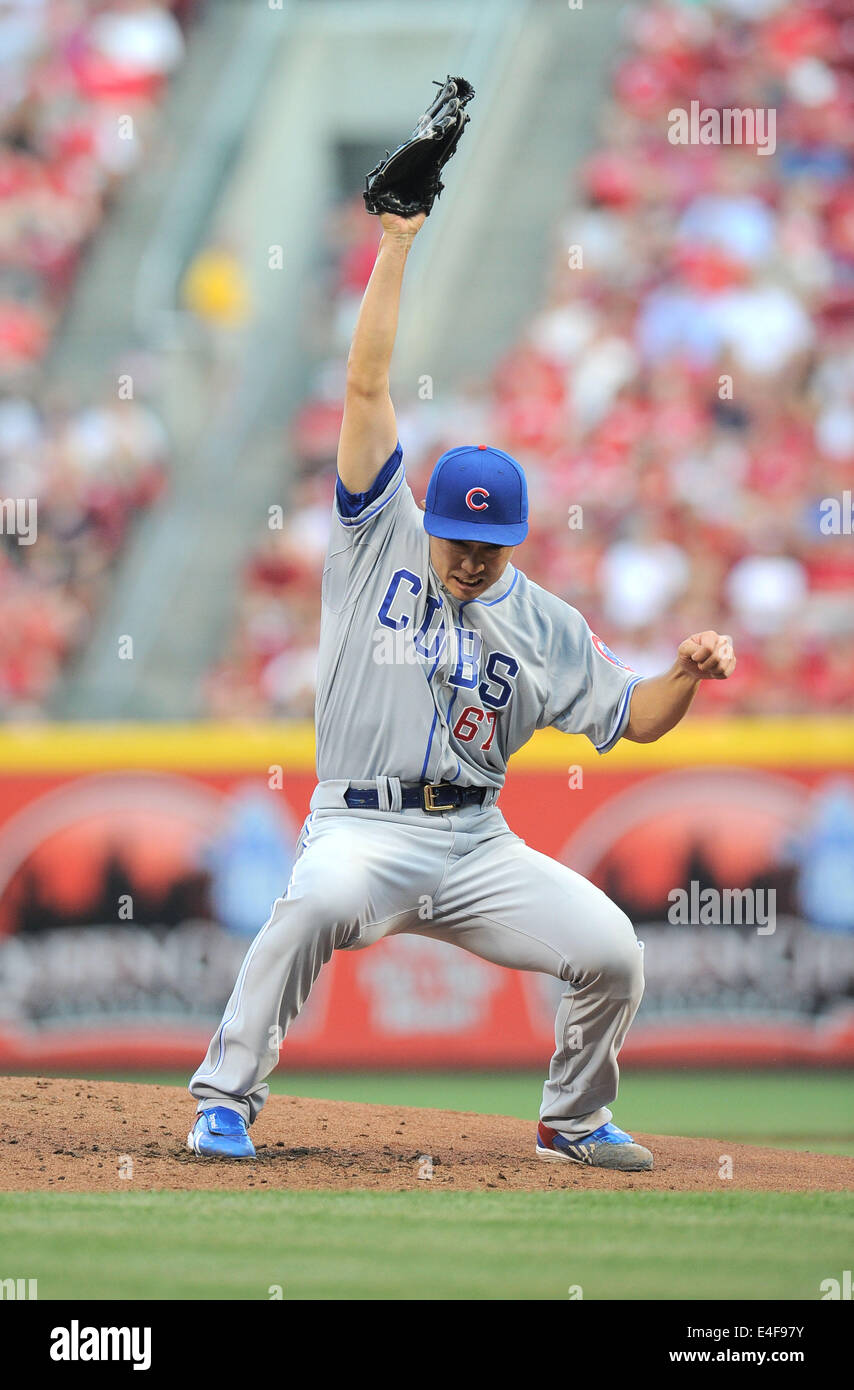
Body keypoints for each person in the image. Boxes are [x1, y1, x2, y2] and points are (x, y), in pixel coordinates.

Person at [187, 211, 736, 1169]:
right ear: (426, 518)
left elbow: (634, 719)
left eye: (490, 545)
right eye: (456, 537)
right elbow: (365, 385)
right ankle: (225, 1101)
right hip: (362, 826)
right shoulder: (375, 541)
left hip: (477, 841)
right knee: (313, 904)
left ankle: (571, 1120)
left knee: (613, 951)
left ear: (515, 540)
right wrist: (395, 245)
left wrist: (682, 675)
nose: (471, 557)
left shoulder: (544, 624)